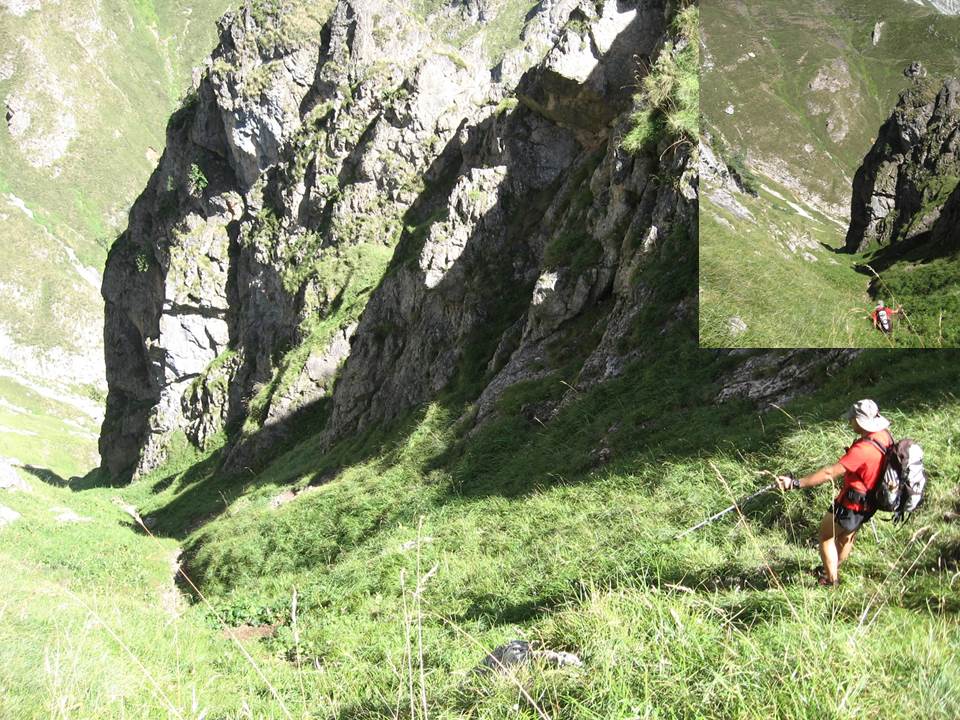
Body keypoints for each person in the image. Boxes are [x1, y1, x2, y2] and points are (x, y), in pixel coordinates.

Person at [774, 399, 894, 586]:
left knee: (825, 536)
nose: (850, 423)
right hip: (870, 501)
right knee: (846, 536)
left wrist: (795, 483)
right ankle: (832, 569)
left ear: (861, 422)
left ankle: (830, 581)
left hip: (851, 501)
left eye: (852, 419)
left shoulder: (862, 450)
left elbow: (829, 472)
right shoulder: (884, 436)